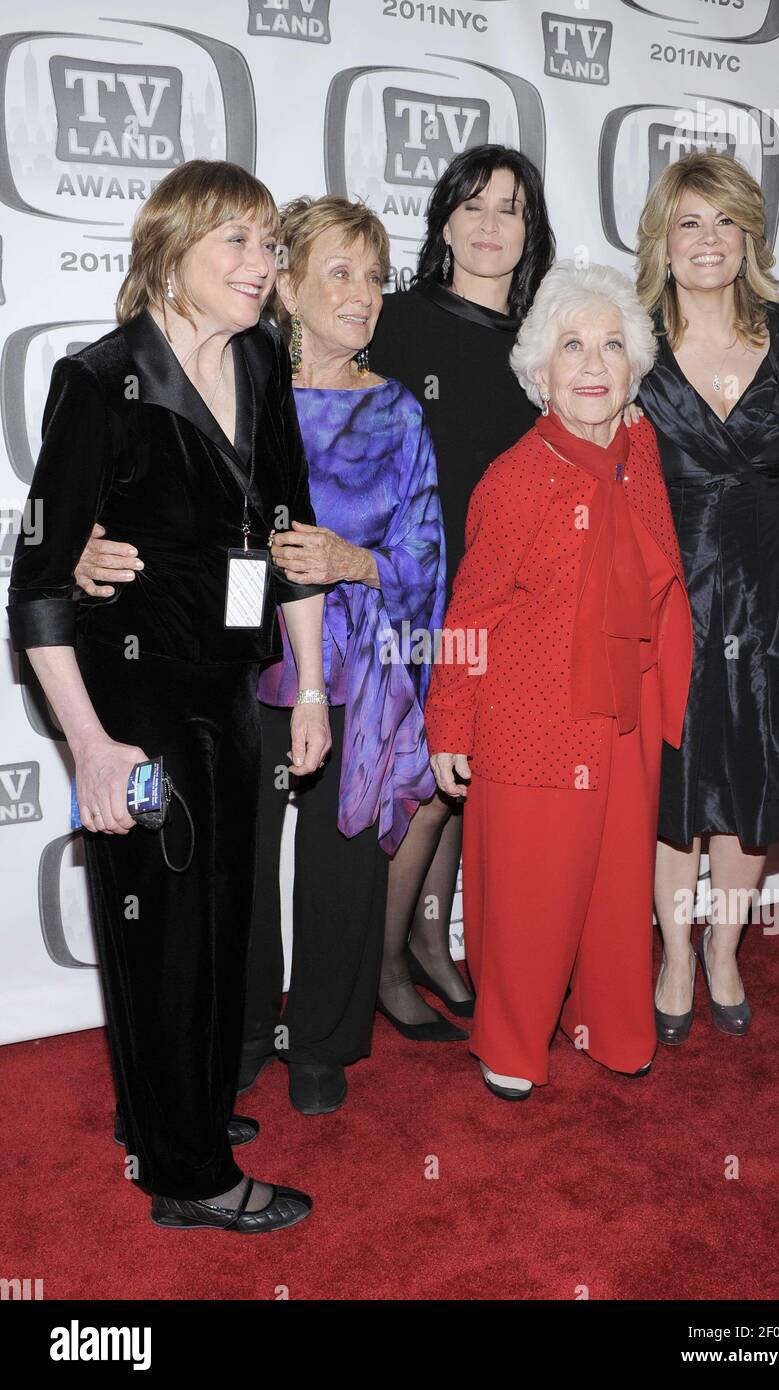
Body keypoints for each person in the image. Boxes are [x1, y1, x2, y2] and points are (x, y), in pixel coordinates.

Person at [7, 160, 331, 1232]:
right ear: (172, 247)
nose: (261, 264)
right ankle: (188, 1179)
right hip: (135, 702)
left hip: (230, 696)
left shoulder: (263, 363)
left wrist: (314, 685)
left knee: (214, 924)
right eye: (236, 241)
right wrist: (92, 747)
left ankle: (174, 1112)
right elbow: (41, 586)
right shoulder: (104, 380)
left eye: (269, 244)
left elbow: (286, 545)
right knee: (161, 932)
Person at [75, 194, 449, 1116]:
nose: (364, 296)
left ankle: (322, 1040)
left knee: (343, 862)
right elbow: (156, 493)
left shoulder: (398, 414)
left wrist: (352, 561)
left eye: (375, 276)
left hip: (352, 671)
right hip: (234, 662)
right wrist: (83, 541)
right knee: (235, 864)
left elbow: (427, 561)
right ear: (284, 283)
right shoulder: (234, 380)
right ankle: (243, 1031)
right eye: (340, 272)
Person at [424, 261, 693, 1098]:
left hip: (627, 716)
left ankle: (613, 1026)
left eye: (612, 346)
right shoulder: (512, 479)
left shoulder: (642, 451)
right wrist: (448, 728)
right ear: (540, 372)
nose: (591, 362)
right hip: (532, 721)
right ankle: (510, 1040)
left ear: (633, 371)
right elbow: (468, 615)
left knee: (617, 891)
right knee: (530, 894)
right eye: (571, 345)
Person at [634, 152, 779, 1045]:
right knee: (677, 790)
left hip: (767, 597)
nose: (709, 240)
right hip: (668, 596)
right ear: (664, 239)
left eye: (725, 221)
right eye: (690, 222)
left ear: (750, 237)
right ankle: (675, 953)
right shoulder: (633, 344)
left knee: (750, 783)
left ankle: (724, 947)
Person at [366, 144, 556, 1034]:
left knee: (459, 784)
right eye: (472, 206)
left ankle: (433, 946)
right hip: (411, 592)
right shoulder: (394, 321)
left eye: (509, 210)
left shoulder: (542, 343)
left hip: (502, 598)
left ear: (531, 230)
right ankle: (383, 967)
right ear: (444, 221)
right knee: (422, 789)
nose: (490, 226)